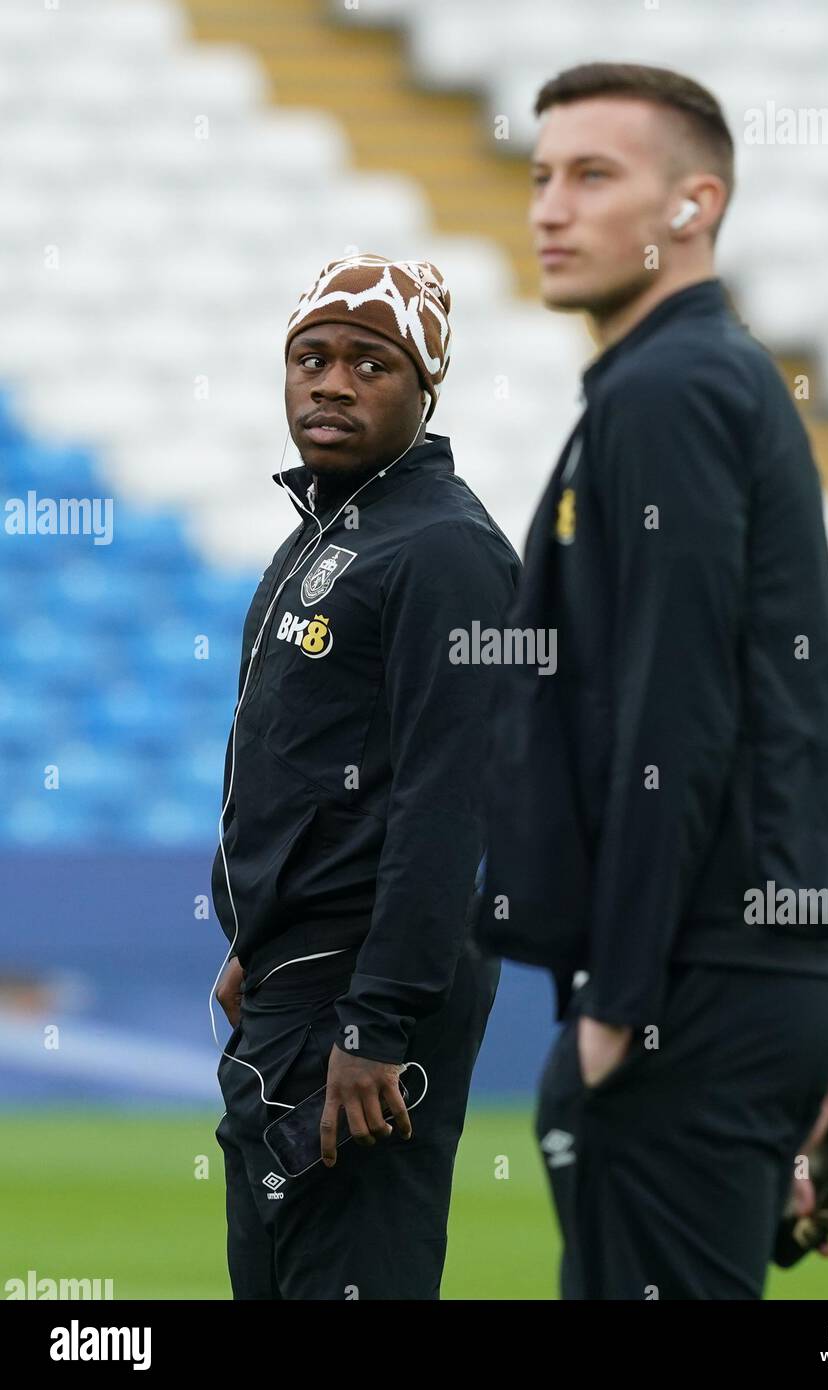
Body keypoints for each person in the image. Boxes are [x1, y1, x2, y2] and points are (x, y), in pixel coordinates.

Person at [478, 63, 828, 1300]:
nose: (550, 207)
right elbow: (820, 713)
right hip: (754, 973)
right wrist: (826, 1007)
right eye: (542, 175)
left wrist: (618, 1008)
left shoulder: (669, 389)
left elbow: (679, 709)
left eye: (593, 175)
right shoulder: (709, 378)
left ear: (692, 204)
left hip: (695, 985)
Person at [210, 253, 519, 1300]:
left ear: (425, 384)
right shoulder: (332, 531)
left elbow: (451, 805)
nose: (329, 382)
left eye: (368, 362)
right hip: (298, 981)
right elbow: (298, 763)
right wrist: (261, 936)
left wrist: (376, 1021)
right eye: (310, 356)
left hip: (359, 1002)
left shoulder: (446, 552)